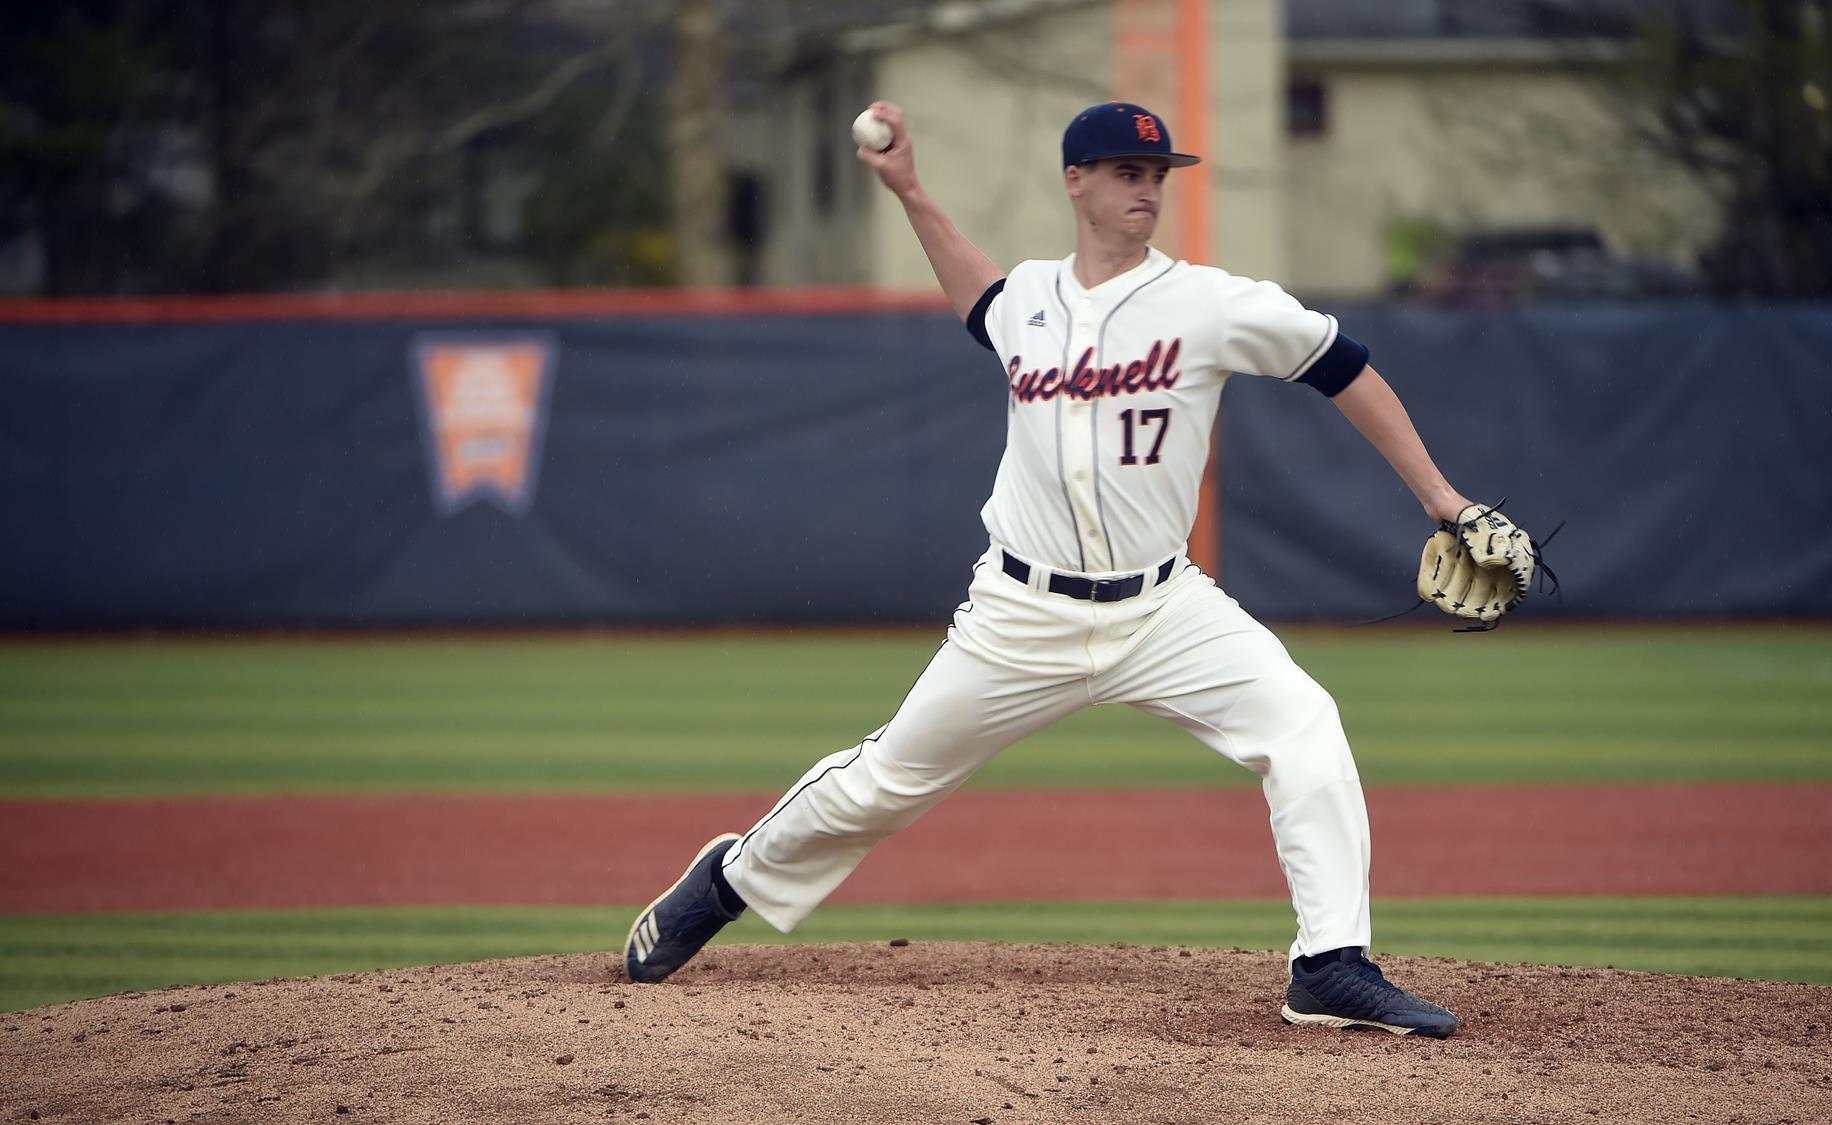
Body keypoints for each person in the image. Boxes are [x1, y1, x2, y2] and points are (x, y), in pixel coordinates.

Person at [624, 100, 1472, 1038]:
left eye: (1156, 174)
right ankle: (728, 880)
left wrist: (1443, 499)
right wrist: (909, 191)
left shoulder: (1211, 303)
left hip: (1164, 609)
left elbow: (1344, 367)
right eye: (1125, 172)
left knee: (1302, 723)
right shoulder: (1028, 298)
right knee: (885, 782)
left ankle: (1330, 964)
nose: (1146, 189)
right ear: (1077, 180)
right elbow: (979, 300)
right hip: (1020, 612)